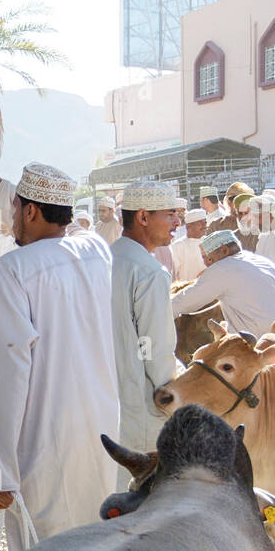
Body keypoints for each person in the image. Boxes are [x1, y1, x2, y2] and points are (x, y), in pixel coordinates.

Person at [0, 149, 119, 551]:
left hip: (45, 438)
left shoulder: (12, 270)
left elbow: (5, 373)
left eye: (15, 209)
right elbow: (52, 214)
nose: (10, 218)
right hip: (101, 428)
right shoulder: (96, 251)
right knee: (94, 534)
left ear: (29, 213)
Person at [110, 181, 179, 457]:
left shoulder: (105, 259)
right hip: (140, 410)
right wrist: (172, 399)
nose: (176, 222)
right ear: (143, 217)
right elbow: (157, 352)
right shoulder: (150, 272)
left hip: (103, 402)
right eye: (169, 214)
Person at [170, 230, 275, 337]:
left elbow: (186, 302)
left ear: (224, 250)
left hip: (258, 342)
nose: (207, 265)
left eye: (209, 259)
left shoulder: (222, 268)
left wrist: (159, 312)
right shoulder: (263, 261)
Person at [169, 207, 209, 283]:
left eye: (205, 223)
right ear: (188, 226)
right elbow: (172, 274)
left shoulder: (210, 242)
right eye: (200, 223)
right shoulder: (177, 246)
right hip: (185, 291)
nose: (204, 226)